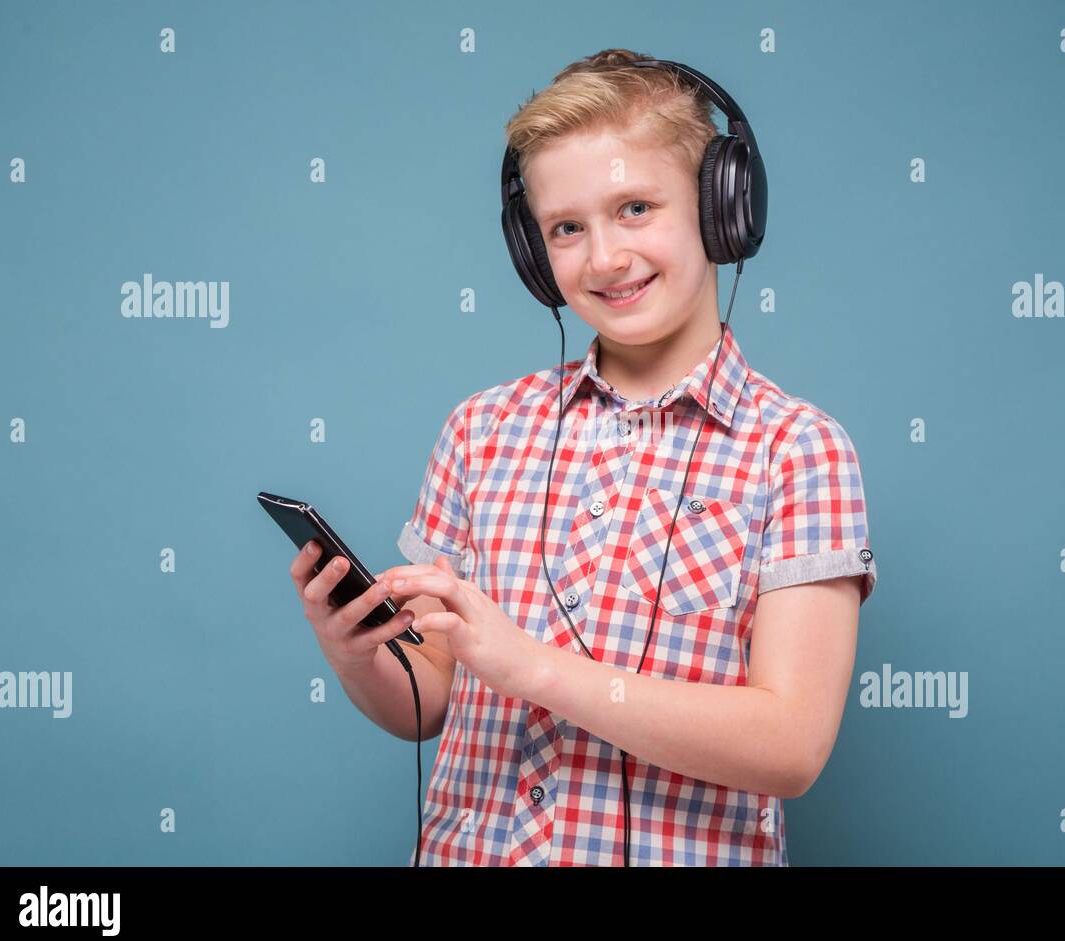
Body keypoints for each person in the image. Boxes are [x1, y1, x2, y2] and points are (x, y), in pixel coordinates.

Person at [293, 48, 878, 866]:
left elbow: (790, 746)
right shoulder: (481, 429)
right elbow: (431, 702)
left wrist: (534, 667)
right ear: (534, 253)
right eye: (567, 228)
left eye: (636, 208)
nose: (603, 258)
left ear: (722, 212)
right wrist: (358, 655)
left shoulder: (798, 451)